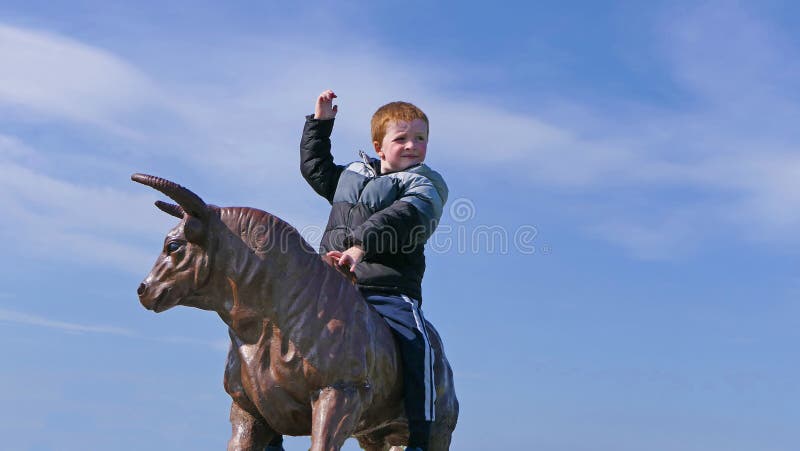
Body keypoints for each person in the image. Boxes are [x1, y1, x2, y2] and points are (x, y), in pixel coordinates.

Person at [300, 89, 448, 451]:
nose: (413, 146)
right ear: (379, 147)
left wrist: (360, 248)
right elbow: (315, 169)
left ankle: (420, 434)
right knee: (278, 328)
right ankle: (268, 426)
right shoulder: (351, 176)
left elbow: (401, 218)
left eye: (421, 138)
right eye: (402, 138)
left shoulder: (425, 184)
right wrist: (320, 125)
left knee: (419, 343)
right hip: (332, 287)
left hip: (387, 289)